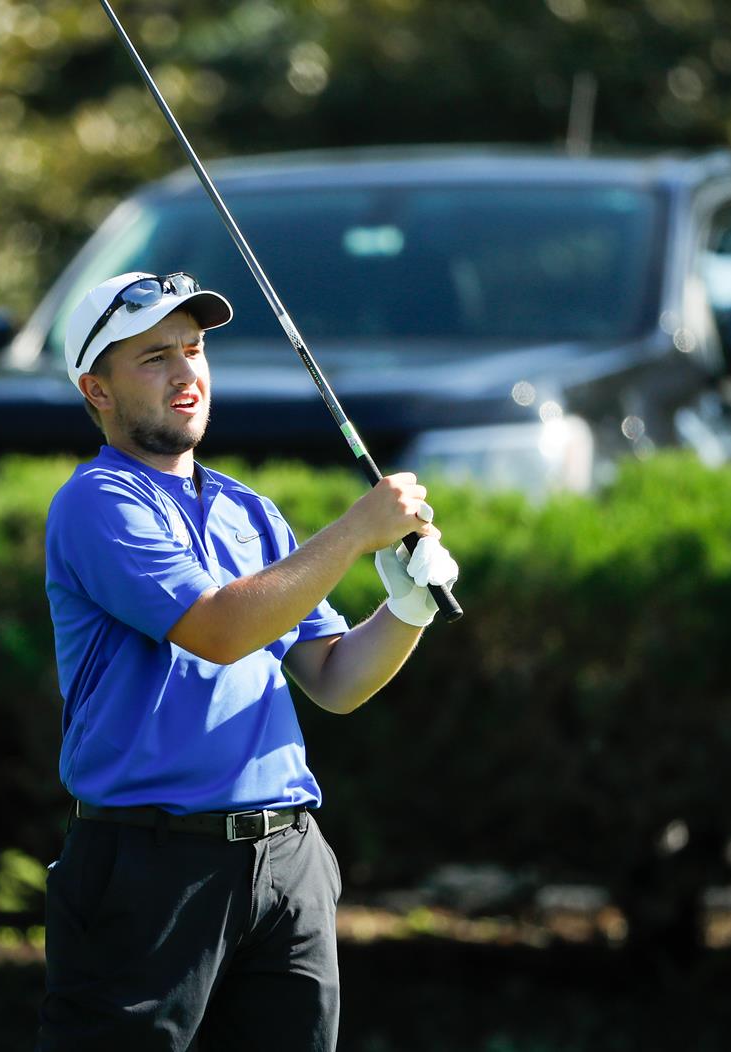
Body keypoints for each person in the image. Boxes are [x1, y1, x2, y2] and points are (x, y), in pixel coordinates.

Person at [38, 271, 458, 1051]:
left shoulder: (247, 511)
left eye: (193, 349)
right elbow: (219, 629)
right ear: (97, 389)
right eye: (154, 357)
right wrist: (354, 532)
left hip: (287, 862)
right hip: (148, 869)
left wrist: (407, 609)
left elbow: (334, 678)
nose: (185, 371)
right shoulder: (98, 502)